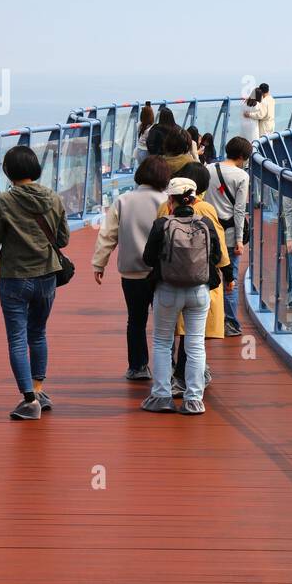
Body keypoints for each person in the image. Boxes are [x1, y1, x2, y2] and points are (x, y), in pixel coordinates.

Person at [0, 145, 70, 420]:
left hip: (15, 278)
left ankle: (29, 400)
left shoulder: (3, 202)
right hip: (47, 277)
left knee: (17, 338)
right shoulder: (52, 197)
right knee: (37, 333)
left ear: (8, 171)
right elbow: (62, 239)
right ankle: (38, 390)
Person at [141, 177, 223, 415]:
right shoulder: (206, 223)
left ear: (171, 201)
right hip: (199, 291)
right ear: (195, 198)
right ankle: (194, 400)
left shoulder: (162, 225)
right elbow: (216, 257)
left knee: (162, 343)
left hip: (167, 290)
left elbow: (148, 258)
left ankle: (162, 396)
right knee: (195, 344)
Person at [91, 156, 171, 379]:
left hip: (132, 271)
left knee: (136, 319)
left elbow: (107, 234)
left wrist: (100, 262)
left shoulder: (123, 201)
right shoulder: (166, 200)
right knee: (166, 322)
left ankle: (138, 366)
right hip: (162, 272)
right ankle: (168, 367)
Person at [164, 162, 232, 395]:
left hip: (171, 279)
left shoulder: (167, 208)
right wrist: (229, 275)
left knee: (171, 335)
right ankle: (188, 379)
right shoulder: (206, 209)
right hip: (200, 278)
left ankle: (173, 378)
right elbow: (220, 248)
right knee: (195, 335)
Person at [206, 136, 252, 337]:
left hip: (209, 232)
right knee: (230, 278)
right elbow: (239, 210)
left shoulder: (208, 169)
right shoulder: (242, 176)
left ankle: (207, 320)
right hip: (231, 234)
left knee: (207, 276)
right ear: (242, 156)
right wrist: (240, 241)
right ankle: (230, 323)